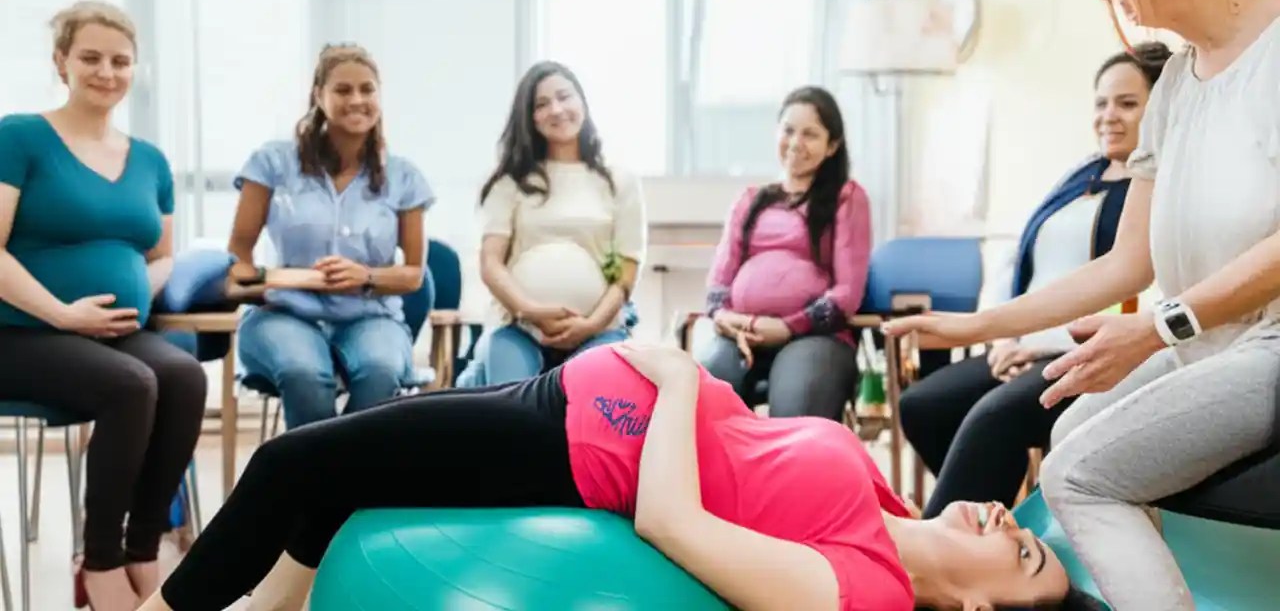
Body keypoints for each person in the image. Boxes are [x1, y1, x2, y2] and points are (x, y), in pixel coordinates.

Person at [886, 0, 1280, 608]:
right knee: (1068, 423)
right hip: (1205, 343)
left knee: (1077, 473)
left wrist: (1162, 326)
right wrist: (976, 328)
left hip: (1269, 345)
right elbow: (1128, 265)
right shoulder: (1178, 89)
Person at [140, 343, 1106, 611]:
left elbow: (673, 523)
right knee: (339, 479)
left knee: (286, 463)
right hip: (585, 399)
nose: (1006, 521)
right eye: (1024, 526)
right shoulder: (893, 512)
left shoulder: (864, 591)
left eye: (1021, 556)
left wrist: (685, 379)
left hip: (576, 442)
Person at [899, 42, 1172, 518]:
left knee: (992, 419)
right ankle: (993, 518)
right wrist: (1011, 336)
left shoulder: (1158, 189)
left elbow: (1133, 290)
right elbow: (1029, 264)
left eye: (1127, 104)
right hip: (1028, 341)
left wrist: (1044, 347)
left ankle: (950, 554)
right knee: (923, 404)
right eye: (1101, 103)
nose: (1109, 115)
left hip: (1087, 351)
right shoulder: (1082, 174)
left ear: (1160, 107)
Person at [0, 0, 207, 610]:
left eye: (121, 61)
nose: (107, 71)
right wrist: (64, 313)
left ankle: (144, 549)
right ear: (61, 61)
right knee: (132, 385)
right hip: (20, 332)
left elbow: (162, 255)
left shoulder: (150, 160)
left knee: (185, 376)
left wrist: (137, 292)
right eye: (90, 57)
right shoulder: (19, 137)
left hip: (110, 331)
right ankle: (100, 563)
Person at [226, 43, 434, 430]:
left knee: (380, 371)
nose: (357, 100)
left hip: (370, 316)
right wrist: (267, 282)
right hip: (285, 313)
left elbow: (413, 275)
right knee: (306, 375)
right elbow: (237, 253)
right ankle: (313, 485)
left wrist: (366, 276)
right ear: (318, 96)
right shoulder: (271, 163)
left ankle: (343, 485)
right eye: (342, 90)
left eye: (367, 89)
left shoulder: (404, 177)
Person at [456, 60, 645, 387]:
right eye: (541, 104)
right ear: (528, 118)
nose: (556, 109)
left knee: (593, 409)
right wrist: (529, 310)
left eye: (564, 96)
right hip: (518, 327)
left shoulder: (620, 181)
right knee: (512, 408)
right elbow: (491, 263)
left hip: (599, 329)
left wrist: (591, 324)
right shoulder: (509, 182)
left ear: (582, 101)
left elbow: (628, 271)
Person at [694, 86, 871, 421]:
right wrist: (726, 319)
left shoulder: (847, 198)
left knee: (794, 415)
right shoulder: (749, 200)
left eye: (810, 134)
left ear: (832, 146)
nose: (795, 143)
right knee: (699, 399)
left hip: (816, 336)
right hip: (739, 335)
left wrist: (787, 327)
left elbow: (847, 293)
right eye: (788, 130)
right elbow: (718, 284)